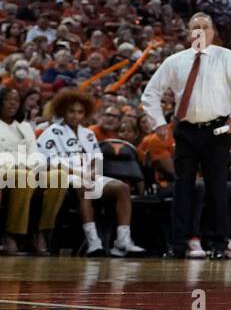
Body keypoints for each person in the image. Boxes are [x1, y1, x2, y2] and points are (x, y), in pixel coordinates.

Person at [141, 13, 231, 259]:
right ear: (189, 32)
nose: (199, 30)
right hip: (185, 130)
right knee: (183, 188)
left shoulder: (226, 57)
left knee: (217, 189)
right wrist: (158, 122)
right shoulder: (175, 60)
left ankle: (220, 244)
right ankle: (179, 244)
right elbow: (150, 93)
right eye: (195, 26)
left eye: (204, 27)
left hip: (218, 130)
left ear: (212, 31)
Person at [35, 88, 144, 257]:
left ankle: (122, 241)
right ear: (62, 110)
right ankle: (94, 242)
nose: (75, 115)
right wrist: (81, 174)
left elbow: (96, 160)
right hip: (65, 178)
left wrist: (93, 172)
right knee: (84, 186)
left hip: (90, 176)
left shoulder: (88, 134)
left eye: (80, 112)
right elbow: (48, 163)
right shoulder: (50, 132)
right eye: (71, 111)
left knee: (122, 188)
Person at [1, 86, 39, 254]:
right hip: (3, 170)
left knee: (57, 176)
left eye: (16, 100)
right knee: (23, 176)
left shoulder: (25, 127)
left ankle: (40, 234)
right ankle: (10, 235)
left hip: (24, 170)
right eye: (8, 99)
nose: (13, 104)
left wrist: (32, 166)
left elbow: (35, 154)